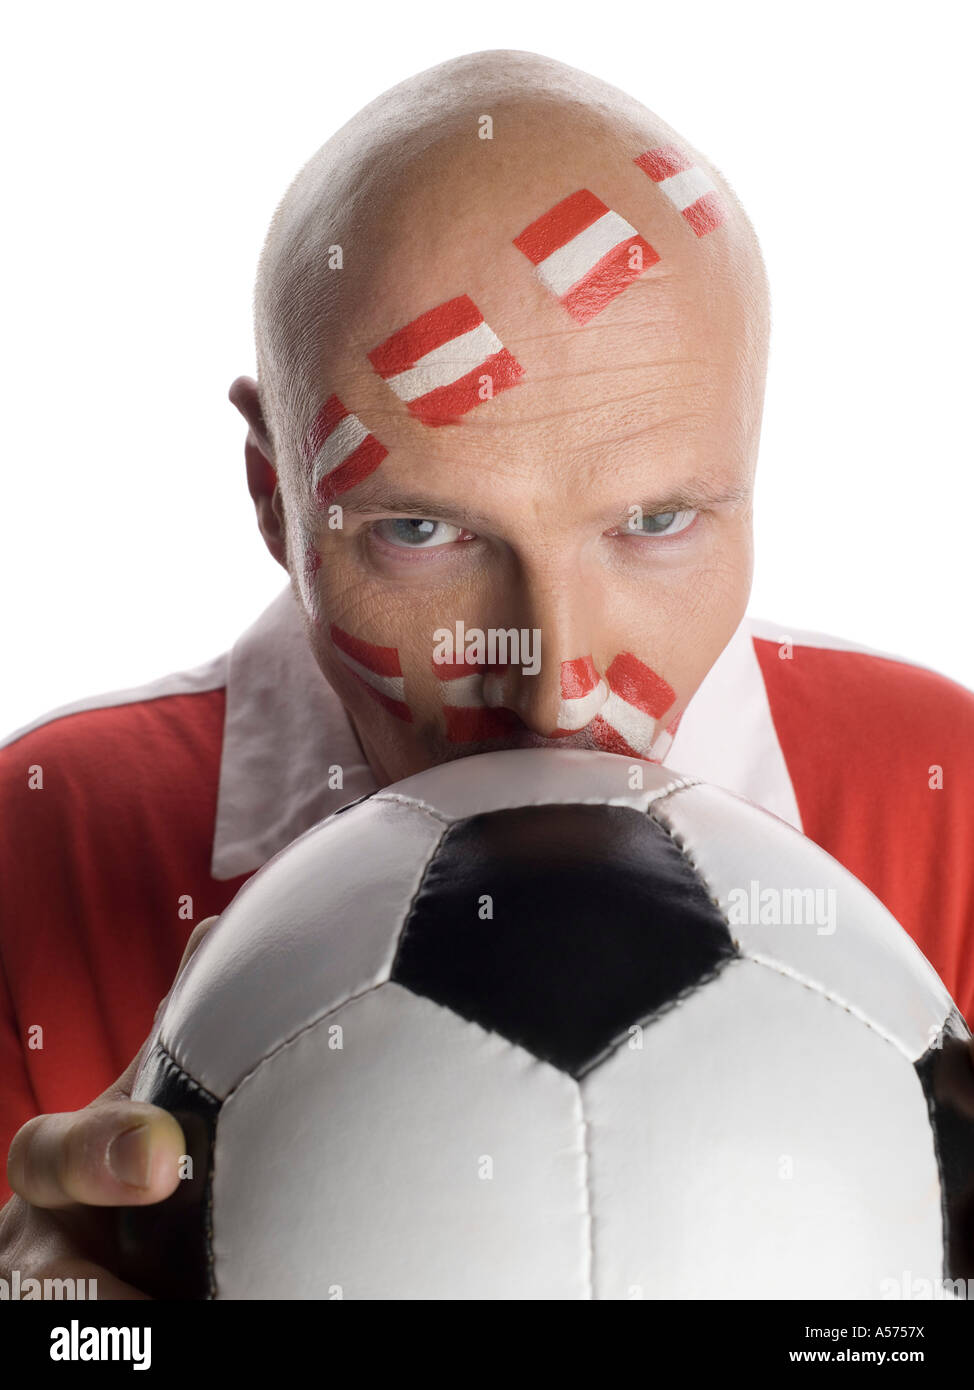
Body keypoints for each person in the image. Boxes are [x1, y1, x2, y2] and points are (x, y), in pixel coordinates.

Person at [2, 48, 972, 1299]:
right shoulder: (38, 844)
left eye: (655, 521)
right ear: (272, 494)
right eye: (423, 532)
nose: (556, 690)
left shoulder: (946, 806)